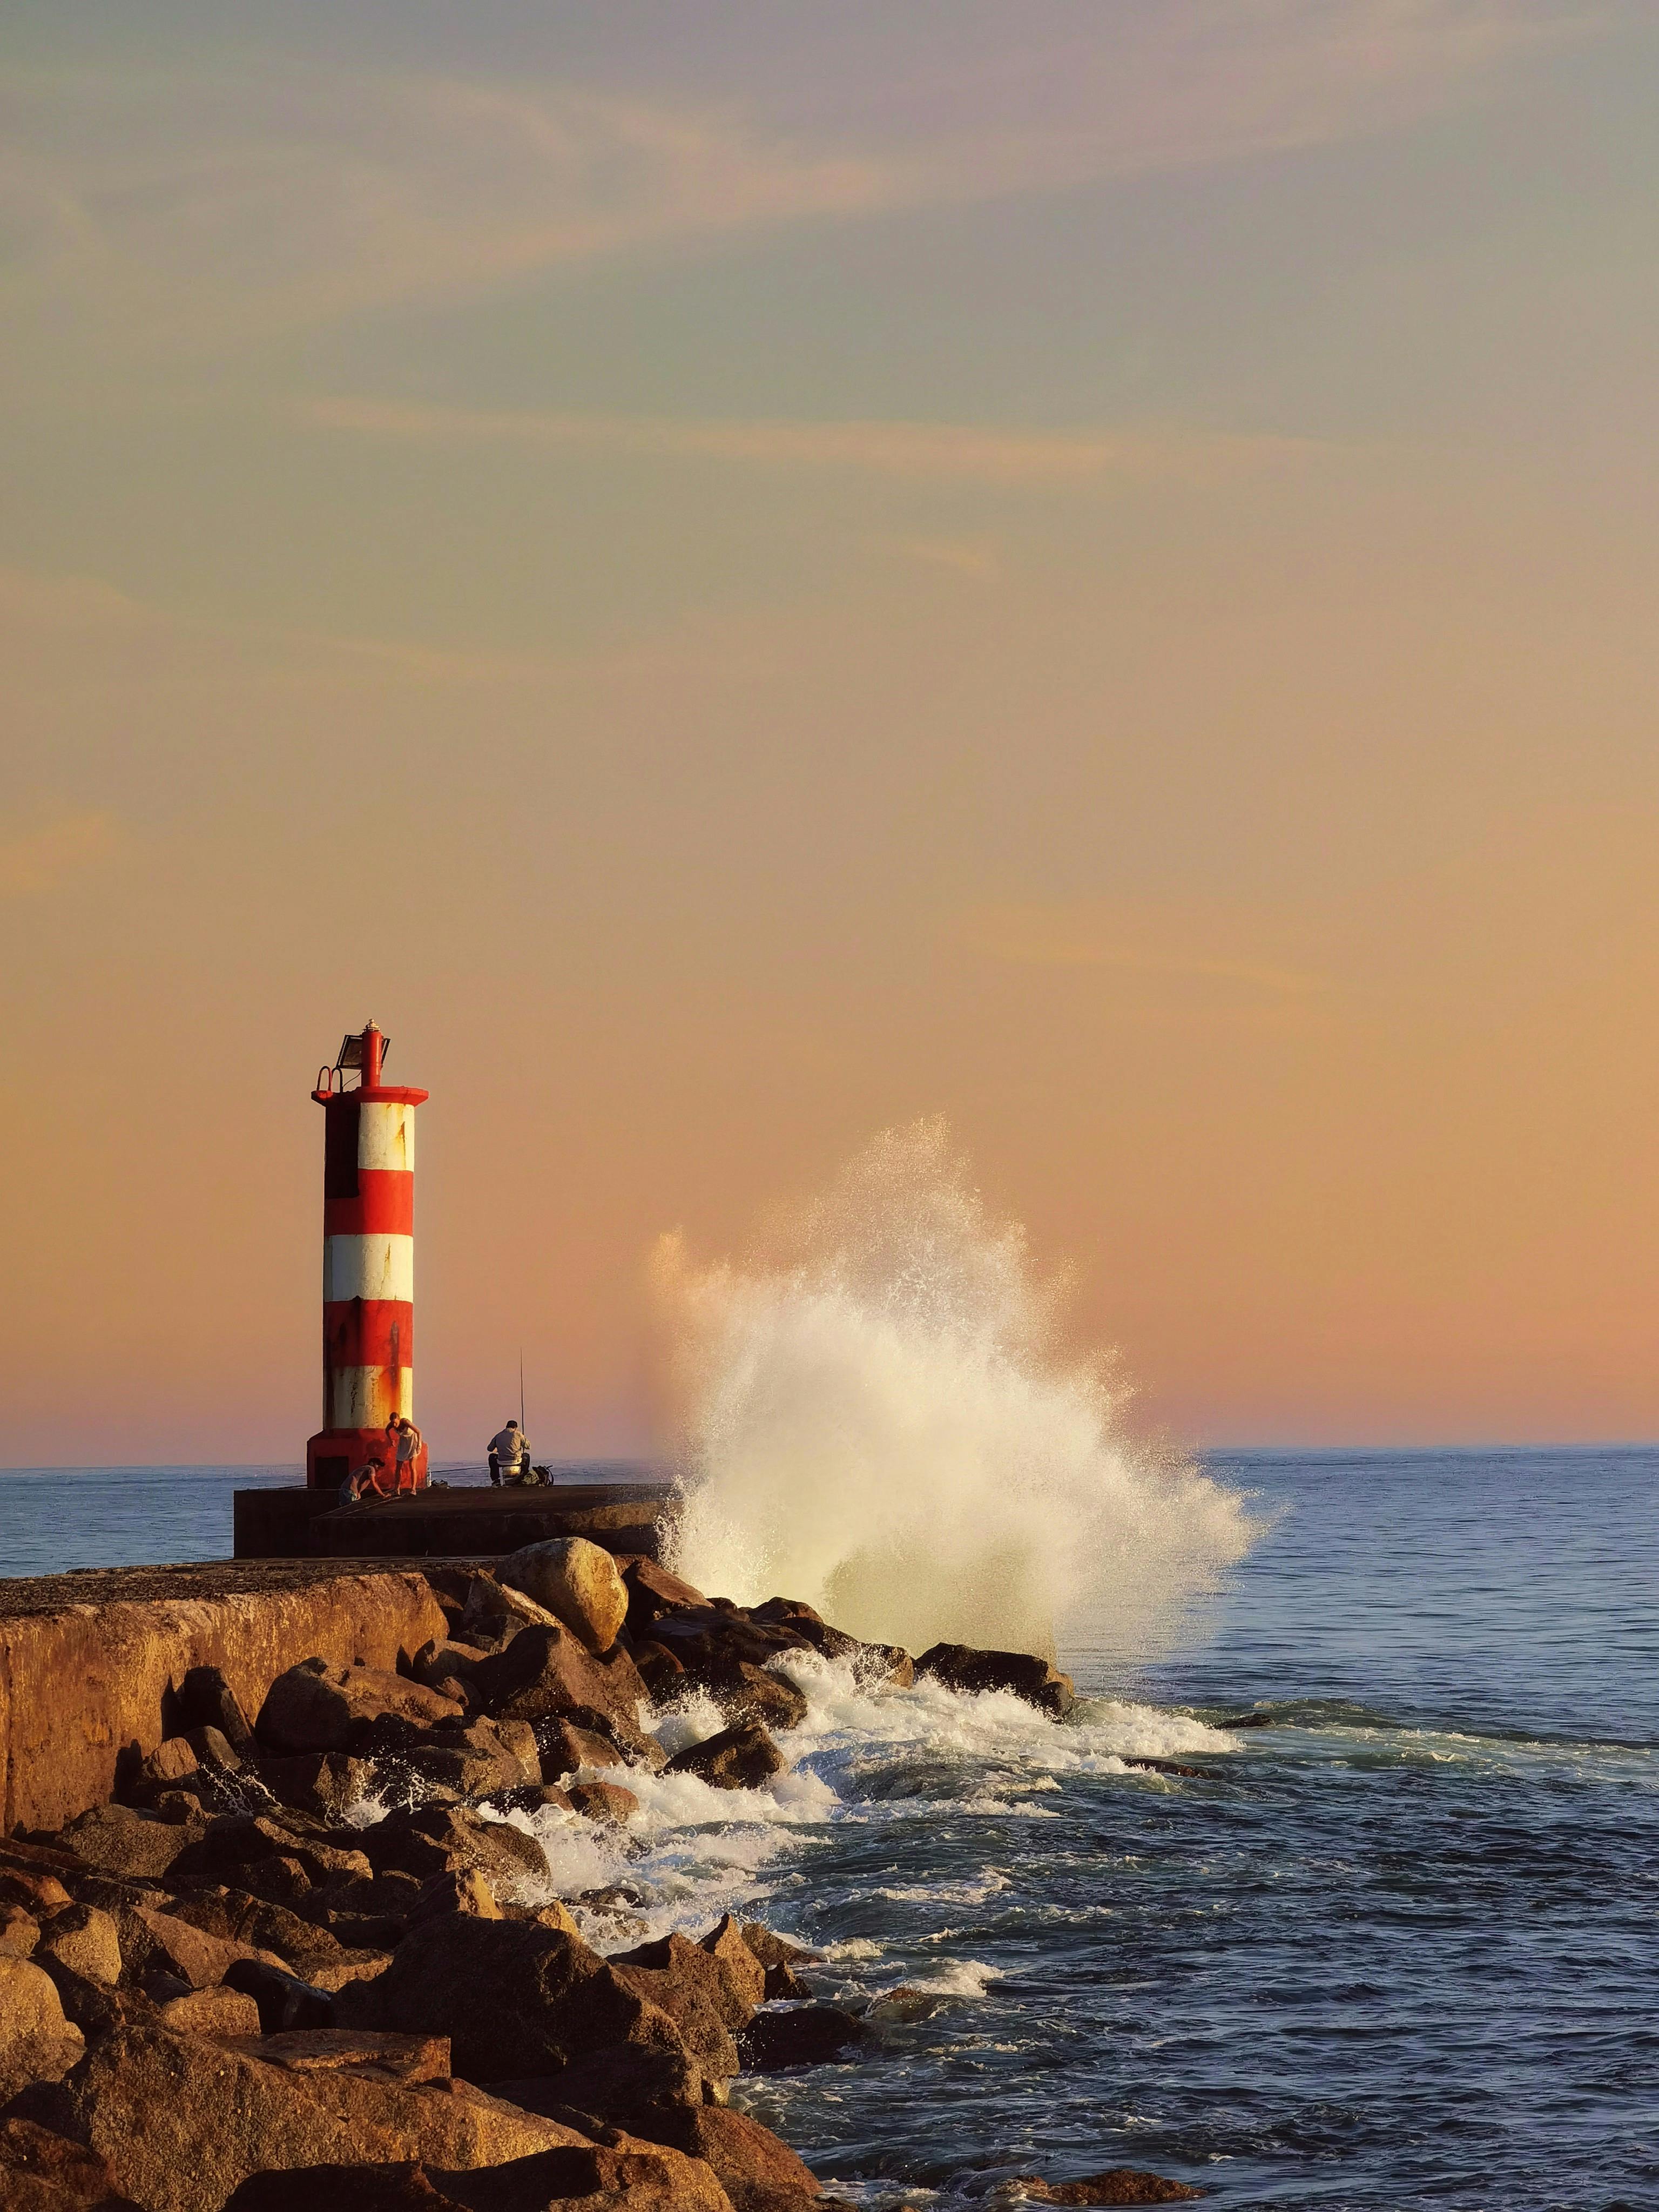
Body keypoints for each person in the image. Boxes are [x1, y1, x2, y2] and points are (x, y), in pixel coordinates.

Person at [388, 1415, 423, 1491]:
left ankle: (413, 1489)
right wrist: (391, 1440)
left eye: (395, 1423)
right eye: (393, 1423)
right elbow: (386, 1431)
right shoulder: (392, 1425)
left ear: (399, 1419)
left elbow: (419, 1432)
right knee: (398, 1467)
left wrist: (419, 1445)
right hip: (403, 1442)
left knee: (412, 1466)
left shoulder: (405, 1422)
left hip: (413, 1441)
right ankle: (397, 1488)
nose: (394, 1425)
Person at [487, 1418, 527, 1486]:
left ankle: (496, 1481)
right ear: (515, 1427)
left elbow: (490, 1449)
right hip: (516, 1461)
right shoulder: (519, 1434)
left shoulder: (498, 1435)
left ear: (506, 1427)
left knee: (492, 1457)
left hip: (502, 1461)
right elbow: (528, 1446)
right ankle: (523, 1478)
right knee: (527, 1456)